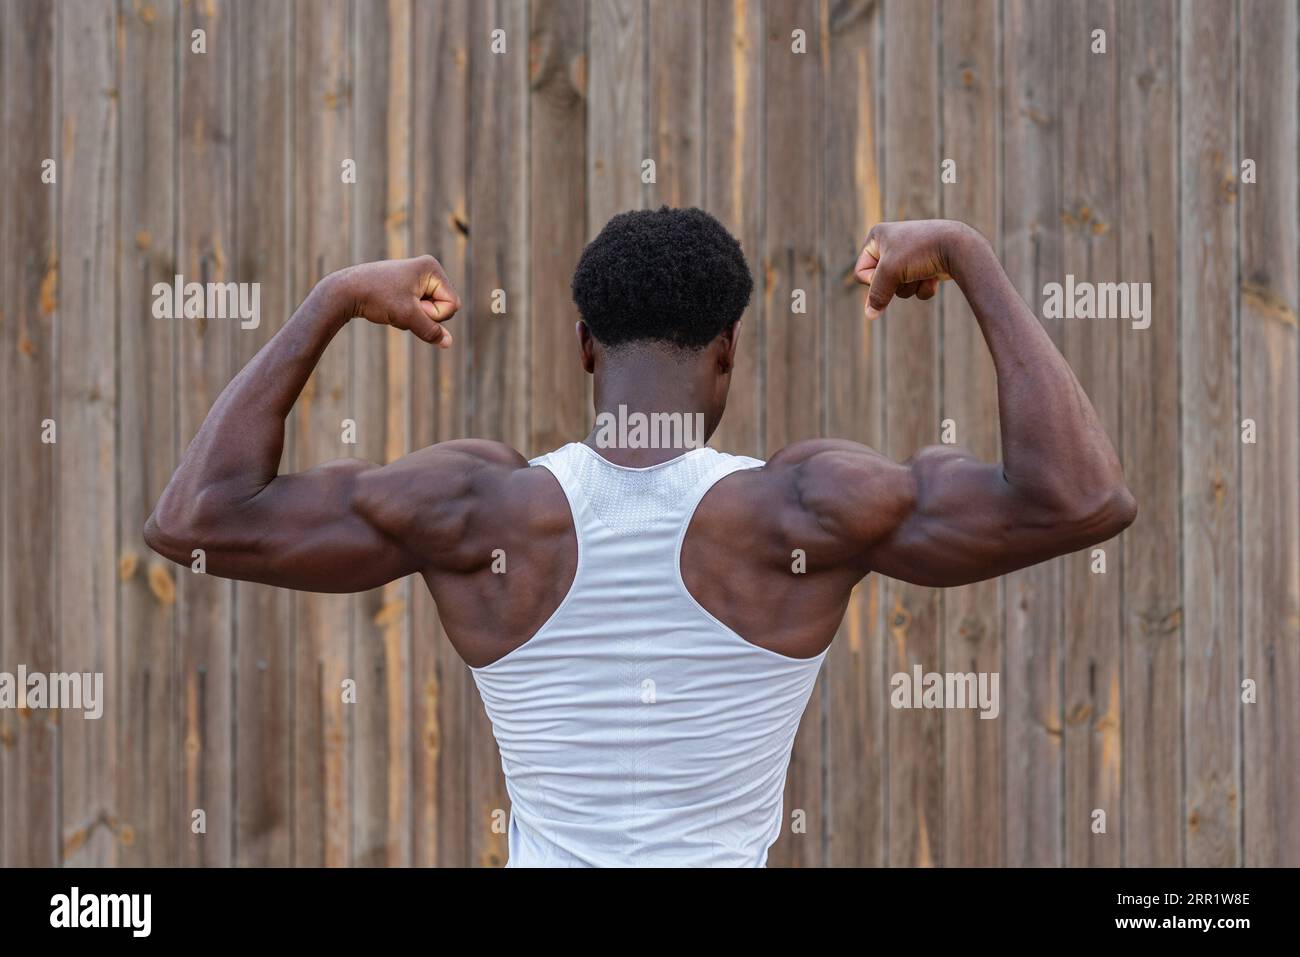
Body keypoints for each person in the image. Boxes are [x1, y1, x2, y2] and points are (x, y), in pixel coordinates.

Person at [145, 209, 1136, 866]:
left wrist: (332, 300)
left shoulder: (476, 509)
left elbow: (195, 518)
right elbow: (1079, 500)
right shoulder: (805, 510)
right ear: (726, 353)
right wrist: (967, 254)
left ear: (584, 347)